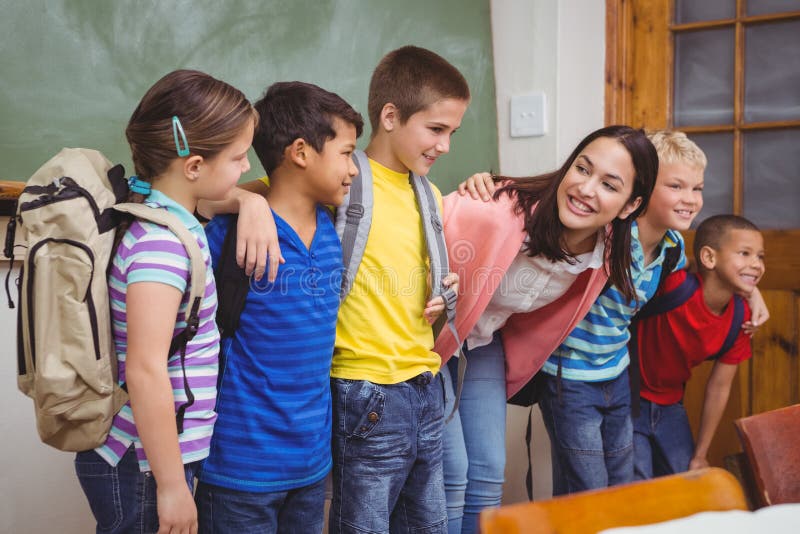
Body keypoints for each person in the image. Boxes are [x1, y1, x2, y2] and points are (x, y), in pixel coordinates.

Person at [205, 45, 468, 533]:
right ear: (390, 116)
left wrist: (443, 284)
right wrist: (247, 201)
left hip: (413, 391)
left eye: (453, 133)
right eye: (437, 130)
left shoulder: (419, 195)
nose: (445, 145)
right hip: (352, 396)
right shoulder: (335, 192)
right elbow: (209, 193)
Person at [435, 125, 657, 534]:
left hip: (482, 342)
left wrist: (749, 292)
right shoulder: (497, 209)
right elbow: (419, 227)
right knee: (453, 472)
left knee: (487, 472)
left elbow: (670, 237)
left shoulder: (605, 251)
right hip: (426, 343)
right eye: (582, 169)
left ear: (630, 205)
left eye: (609, 184)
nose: (586, 189)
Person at [536, 130, 768, 495]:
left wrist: (751, 291)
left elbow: (711, 273)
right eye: (676, 186)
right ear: (642, 190)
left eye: (697, 188)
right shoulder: (606, 232)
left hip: (617, 377)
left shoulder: (673, 249)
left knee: (623, 485)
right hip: (571, 377)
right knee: (587, 488)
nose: (690, 200)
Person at [74, 69, 256, 534]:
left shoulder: (170, 217)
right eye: (238, 158)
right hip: (143, 464)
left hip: (154, 458)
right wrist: (172, 485)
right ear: (193, 167)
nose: (247, 170)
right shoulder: (161, 245)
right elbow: (145, 368)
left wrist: (252, 204)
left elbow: (219, 199)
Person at [194, 81, 363, 533]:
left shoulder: (334, 229)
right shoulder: (229, 237)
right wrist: (245, 202)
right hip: (239, 469)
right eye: (346, 154)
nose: (353, 170)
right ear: (302, 152)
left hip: (310, 467)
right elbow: (171, 197)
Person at [633, 215, 764, 479]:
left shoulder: (741, 319)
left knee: (688, 483)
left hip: (671, 406)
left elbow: (719, 387)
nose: (756, 264)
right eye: (744, 253)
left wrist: (700, 454)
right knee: (636, 488)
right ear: (709, 257)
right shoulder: (675, 285)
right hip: (627, 401)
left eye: (760, 256)